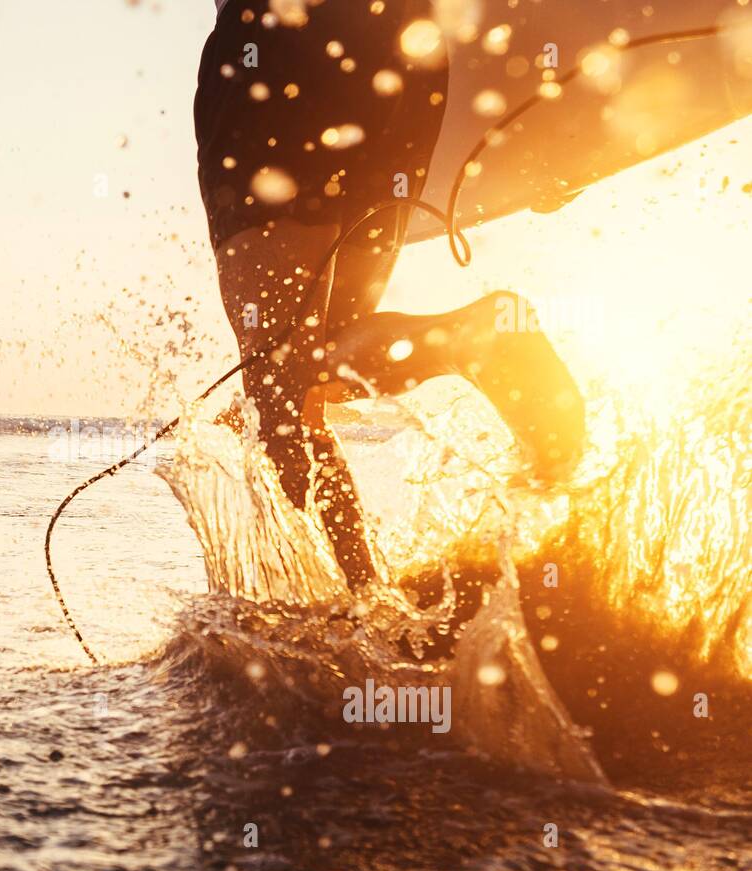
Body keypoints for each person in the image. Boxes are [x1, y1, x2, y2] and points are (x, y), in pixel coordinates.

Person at [195, 0, 586, 589]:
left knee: (276, 385)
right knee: (307, 376)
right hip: (399, 47)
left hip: (275, 47)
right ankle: (367, 597)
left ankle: (469, 336)